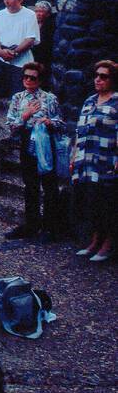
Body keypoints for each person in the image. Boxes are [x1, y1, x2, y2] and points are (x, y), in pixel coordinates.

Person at [5, 63, 64, 240]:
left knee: (49, 184)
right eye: (25, 77)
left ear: (39, 80)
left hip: (45, 142)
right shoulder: (17, 98)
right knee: (30, 186)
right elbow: (11, 125)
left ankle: (50, 227)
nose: (28, 80)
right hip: (27, 140)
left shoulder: (49, 98)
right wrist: (26, 114)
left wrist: (49, 122)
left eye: (33, 77)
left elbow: (61, 122)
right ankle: (31, 225)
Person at [70, 60, 118, 264]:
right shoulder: (89, 101)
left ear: (112, 80)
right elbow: (79, 131)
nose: (98, 79)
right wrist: (74, 156)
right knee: (92, 203)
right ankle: (94, 241)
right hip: (87, 162)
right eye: (97, 75)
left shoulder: (116, 102)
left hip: (106, 161)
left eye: (104, 76)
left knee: (107, 204)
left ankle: (107, 244)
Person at [32, 0, 56, 77]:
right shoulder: (33, 23)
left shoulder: (50, 25)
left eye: (41, 11)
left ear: (48, 13)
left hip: (45, 56)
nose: (38, 14)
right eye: (36, 11)